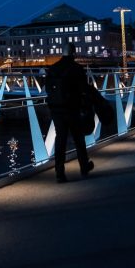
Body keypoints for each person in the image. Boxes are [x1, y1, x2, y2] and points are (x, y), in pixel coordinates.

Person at [44, 43, 95, 183]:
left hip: (56, 110)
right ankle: (84, 167)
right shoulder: (77, 69)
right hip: (72, 109)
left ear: (63, 52)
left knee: (60, 140)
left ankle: (59, 173)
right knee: (78, 139)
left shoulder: (53, 68)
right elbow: (83, 89)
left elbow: (48, 89)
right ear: (73, 53)